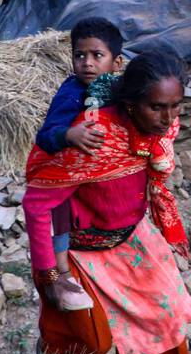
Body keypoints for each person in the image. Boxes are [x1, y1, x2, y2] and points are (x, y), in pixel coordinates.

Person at [22, 50, 191, 354]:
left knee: (165, 318)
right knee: (85, 337)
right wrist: (52, 274)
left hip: (131, 239)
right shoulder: (93, 141)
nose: (167, 119)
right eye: (157, 108)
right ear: (130, 103)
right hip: (76, 251)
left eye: (175, 106)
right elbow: (40, 204)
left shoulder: (156, 132)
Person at [33, 17, 125, 311]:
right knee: (57, 209)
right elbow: (45, 136)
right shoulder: (71, 92)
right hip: (68, 169)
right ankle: (58, 272)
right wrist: (68, 134)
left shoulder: (120, 91)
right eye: (79, 55)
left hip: (106, 176)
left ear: (116, 62)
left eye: (97, 55)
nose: (87, 63)